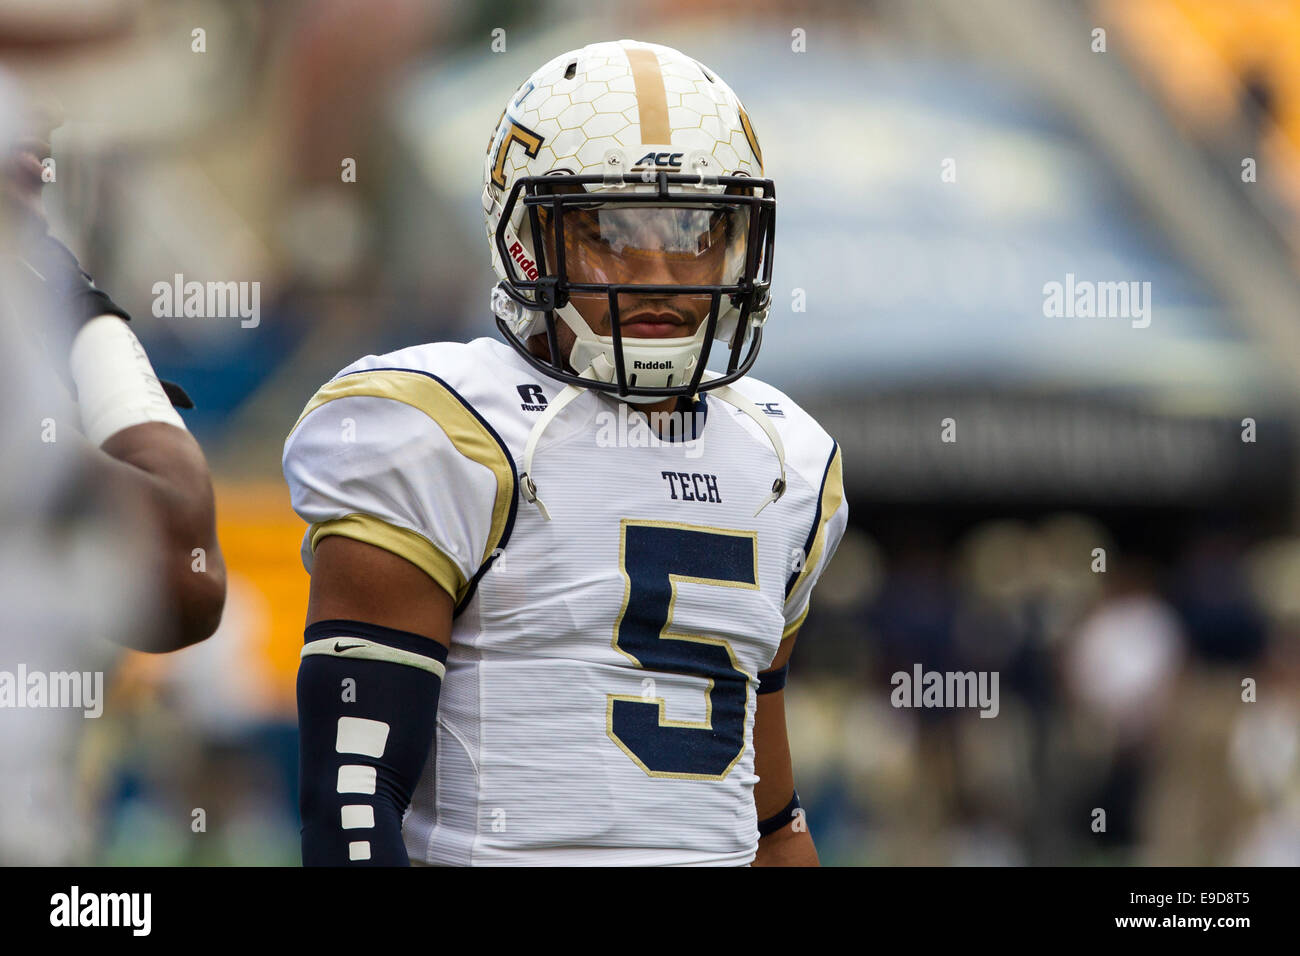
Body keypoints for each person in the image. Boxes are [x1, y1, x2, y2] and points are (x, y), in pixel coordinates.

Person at [284, 39, 847, 866]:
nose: (661, 273)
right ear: (525, 240)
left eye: (697, 229)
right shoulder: (444, 429)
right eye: (613, 231)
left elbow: (771, 820)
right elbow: (353, 805)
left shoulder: (786, 460)